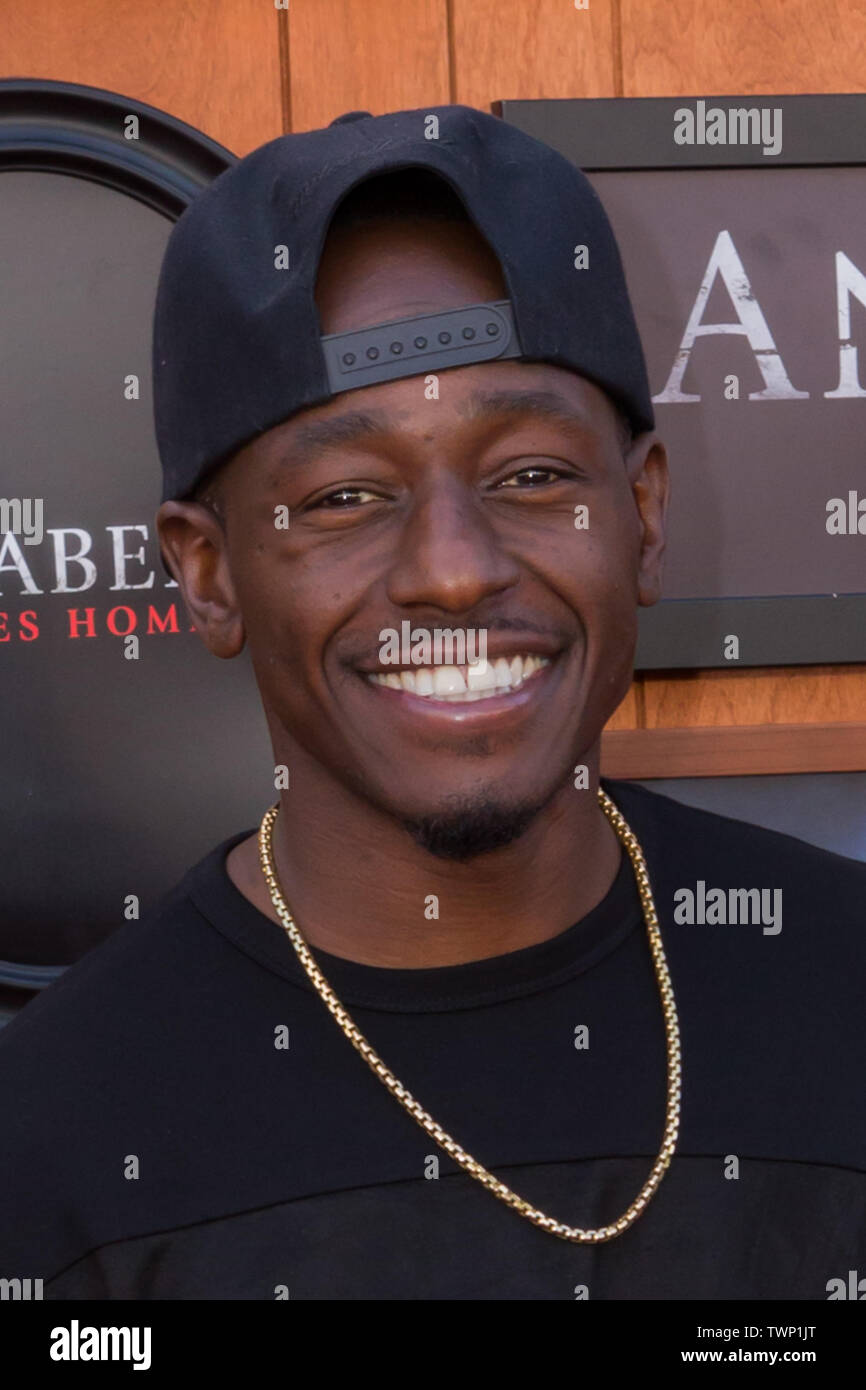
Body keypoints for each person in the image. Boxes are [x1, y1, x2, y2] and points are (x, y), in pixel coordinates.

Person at [1, 105, 864, 1301]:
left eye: (529, 475)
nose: (453, 569)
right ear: (207, 575)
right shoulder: (51, 1145)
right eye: (347, 496)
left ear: (643, 516)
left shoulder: (840, 990)